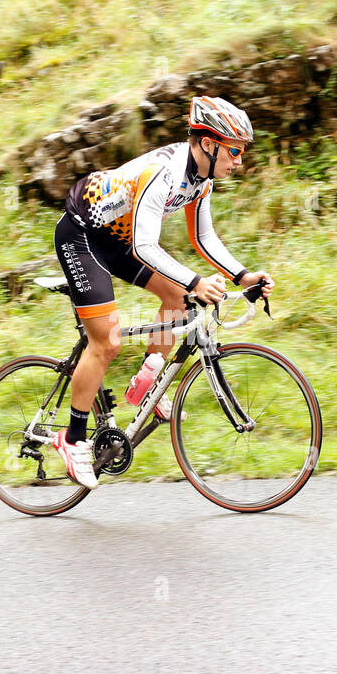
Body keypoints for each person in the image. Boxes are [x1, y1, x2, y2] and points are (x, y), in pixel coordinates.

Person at [50, 95, 274, 488]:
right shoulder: (165, 173)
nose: (239, 161)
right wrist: (196, 281)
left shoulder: (200, 180)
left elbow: (202, 237)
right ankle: (72, 439)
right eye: (235, 151)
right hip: (83, 235)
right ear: (209, 144)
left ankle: (147, 385)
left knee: (178, 300)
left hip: (118, 238)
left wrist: (243, 277)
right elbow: (143, 247)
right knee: (105, 344)